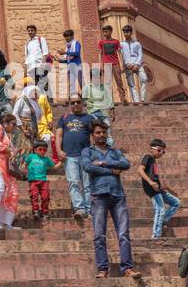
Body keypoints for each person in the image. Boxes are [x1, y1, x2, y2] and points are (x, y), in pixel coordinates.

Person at [81, 120, 139, 277]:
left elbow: (126, 164)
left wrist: (103, 162)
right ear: (93, 135)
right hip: (98, 196)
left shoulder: (114, 152)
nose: (101, 135)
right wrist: (111, 170)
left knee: (123, 234)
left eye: (103, 132)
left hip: (117, 195)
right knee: (99, 235)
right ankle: (102, 269)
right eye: (98, 133)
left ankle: (127, 268)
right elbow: (87, 167)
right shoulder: (88, 151)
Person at [54, 95, 99, 221]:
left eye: (78, 102)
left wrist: (95, 152)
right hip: (69, 156)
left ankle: (89, 209)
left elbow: (96, 134)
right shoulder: (64, 118)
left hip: (85, 155)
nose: (75, 104)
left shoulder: (89, 118)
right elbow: (59, 135)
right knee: (73, 182)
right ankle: (79, 208)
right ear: (70, 104)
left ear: (82, 103)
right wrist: (59, 150)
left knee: (87, 184)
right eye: (73, 102)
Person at [139, 138, 180, 240]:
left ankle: (162, 220)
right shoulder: (148, 157)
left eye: (163, 151)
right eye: (159, 150)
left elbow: (158, 181)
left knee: (176, 203)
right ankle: (156, 236)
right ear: (152, 149)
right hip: (152, 189)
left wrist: (170, 190)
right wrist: (150, 182)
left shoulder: (154, 161)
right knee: (160, 209)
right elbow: (140, 170)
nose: (161, 153)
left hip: (158, 189)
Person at [26, 139, 57, 221]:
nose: (42, 151)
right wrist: (25, 173)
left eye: (44, 150)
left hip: (43, 181)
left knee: (45, 197)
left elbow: (54, 167)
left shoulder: (46, 159)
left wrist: (62, 162)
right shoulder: (31, 156)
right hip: (33, 180)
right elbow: (24, 166)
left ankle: (45, 212)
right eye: (40, 149)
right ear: (35, 150)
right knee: (34, 195)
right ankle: (35, 211)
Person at [97, 25, 127, 106]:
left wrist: (121, 65)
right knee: (107, 83)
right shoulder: (101, 42)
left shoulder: (116, 41)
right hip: (106, 64)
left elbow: (119, 53)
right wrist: (101, 64)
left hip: (115, 63)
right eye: (103, 32)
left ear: (111, 32)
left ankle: (123, 98)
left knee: (119, 82)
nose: (104, 33)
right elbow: (100, 53)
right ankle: (109, 99)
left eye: (106, 32)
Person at [120, 25, 147, 106]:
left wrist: (137, 65)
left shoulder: (137, 44)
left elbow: (140, 55)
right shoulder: (121, 44)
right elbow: (121, 55)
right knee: (131, 84)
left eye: (127, 32)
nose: (125, 34)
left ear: (131, 32)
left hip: (137, 64)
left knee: (144, 79)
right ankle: (136, 101)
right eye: (124, 32)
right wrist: (126, 64)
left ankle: (142, 99)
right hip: (128, 65)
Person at [24, 24, 50, 90]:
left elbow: (45, 53)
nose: (30, 32)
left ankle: (46, 100)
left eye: (32, 30)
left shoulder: (40, 39)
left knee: (43, 86)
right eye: (29, 31)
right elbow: (27, 58)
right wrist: (25, 71)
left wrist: (43, 65)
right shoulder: (27, 43)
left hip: (39, 65)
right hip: (31, 67)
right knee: (34, 87)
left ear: (35, 31)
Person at [60, 28, 82, 101]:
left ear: (72, 36)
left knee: (81, 82)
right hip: (70, 67)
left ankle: (87, 99)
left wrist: (65, 53)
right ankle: (73, 99)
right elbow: (68, 60)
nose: (66, 38)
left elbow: (77, 53)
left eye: (67, 36)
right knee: (72, 84)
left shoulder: (76, 43)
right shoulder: (68, 46)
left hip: (77, 65)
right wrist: (59, 60)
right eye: (65, 36)